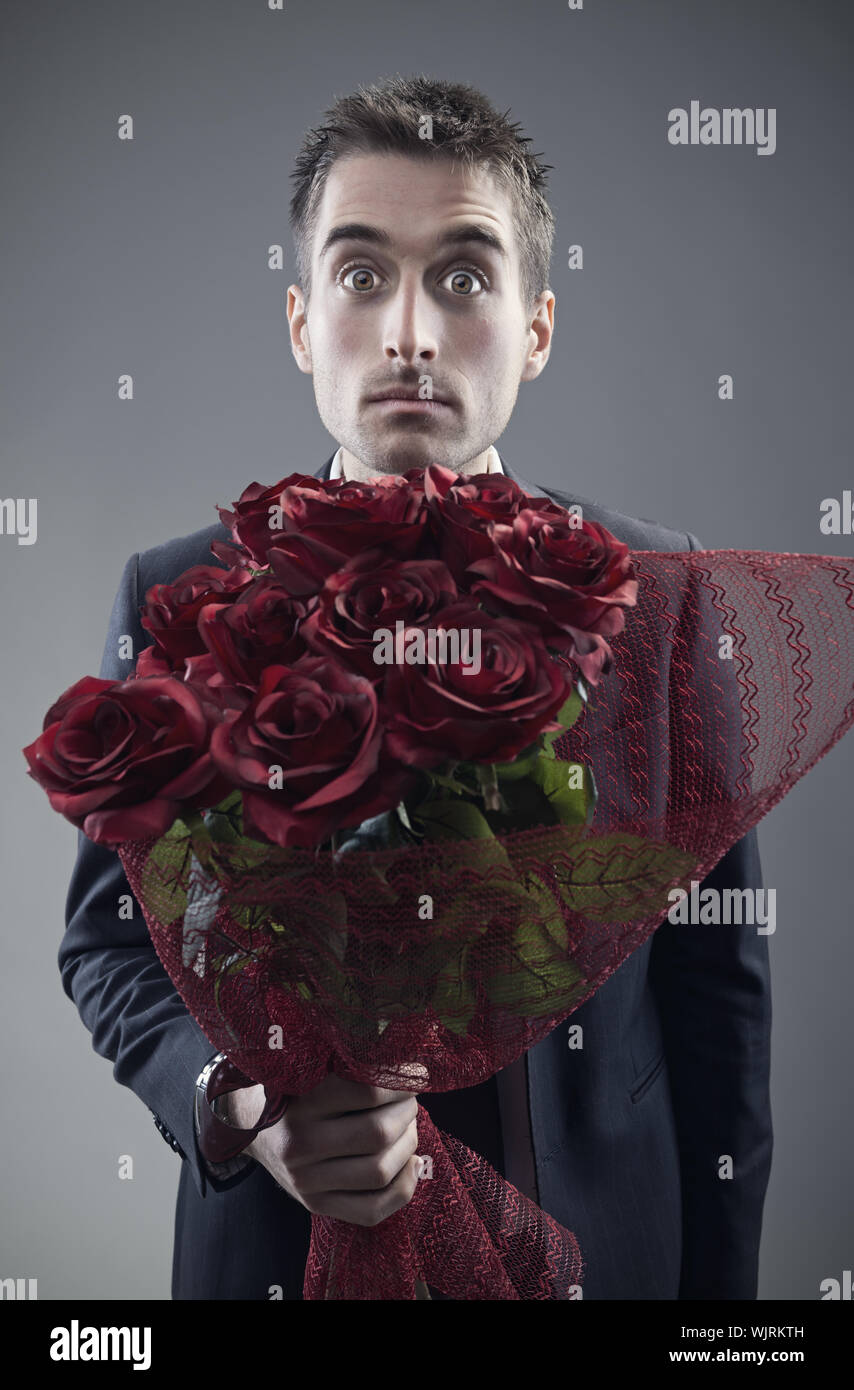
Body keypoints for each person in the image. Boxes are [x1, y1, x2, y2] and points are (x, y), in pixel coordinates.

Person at [60, 75, 772, 1301]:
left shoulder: (663, 599)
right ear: (298, 322)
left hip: (601, 1257)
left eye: (461, 275)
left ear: (536, 328)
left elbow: (718, 998)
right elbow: (110, 943)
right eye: (358, 275)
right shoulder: (179, 595)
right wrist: (238, 1112)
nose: (408, 333)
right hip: (282, 1264)